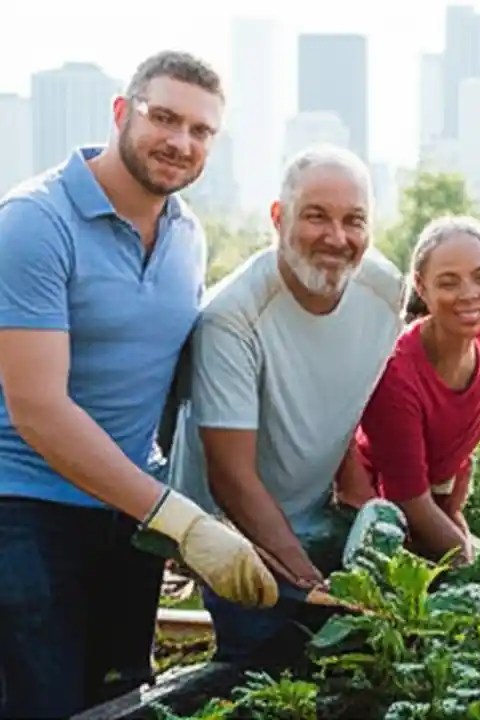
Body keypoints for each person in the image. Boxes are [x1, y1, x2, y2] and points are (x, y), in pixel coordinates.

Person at [0, 51, 278, 718]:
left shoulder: (188, 236)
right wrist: (177, 517)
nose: (181, 141)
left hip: (127, 518)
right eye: (164, 118)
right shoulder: (33, 223)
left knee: (119, 701)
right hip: (24, 513)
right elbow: (38, 408)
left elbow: (169, 386)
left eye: (201, 130)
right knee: (41, 703)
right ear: (122, 112)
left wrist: (184, 512)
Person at [168, 144, 403, 664]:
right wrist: (310, 582)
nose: (337, 237)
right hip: (233, 532)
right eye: (316, 216)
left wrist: (364, 513)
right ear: (278, 217)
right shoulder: (232, 318)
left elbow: (343, 398)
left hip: (315, 513)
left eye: (354, 220)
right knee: (262, 671)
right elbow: (231, 477)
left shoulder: (385, 292)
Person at [341, 216, 480, 565]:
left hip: (434, 508)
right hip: (376, 522)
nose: (469, 294)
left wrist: (455, 518)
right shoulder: (396, 372)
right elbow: (407, 499)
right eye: (448, 282)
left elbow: (457, 453)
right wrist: (467, 564)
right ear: (421, 286)